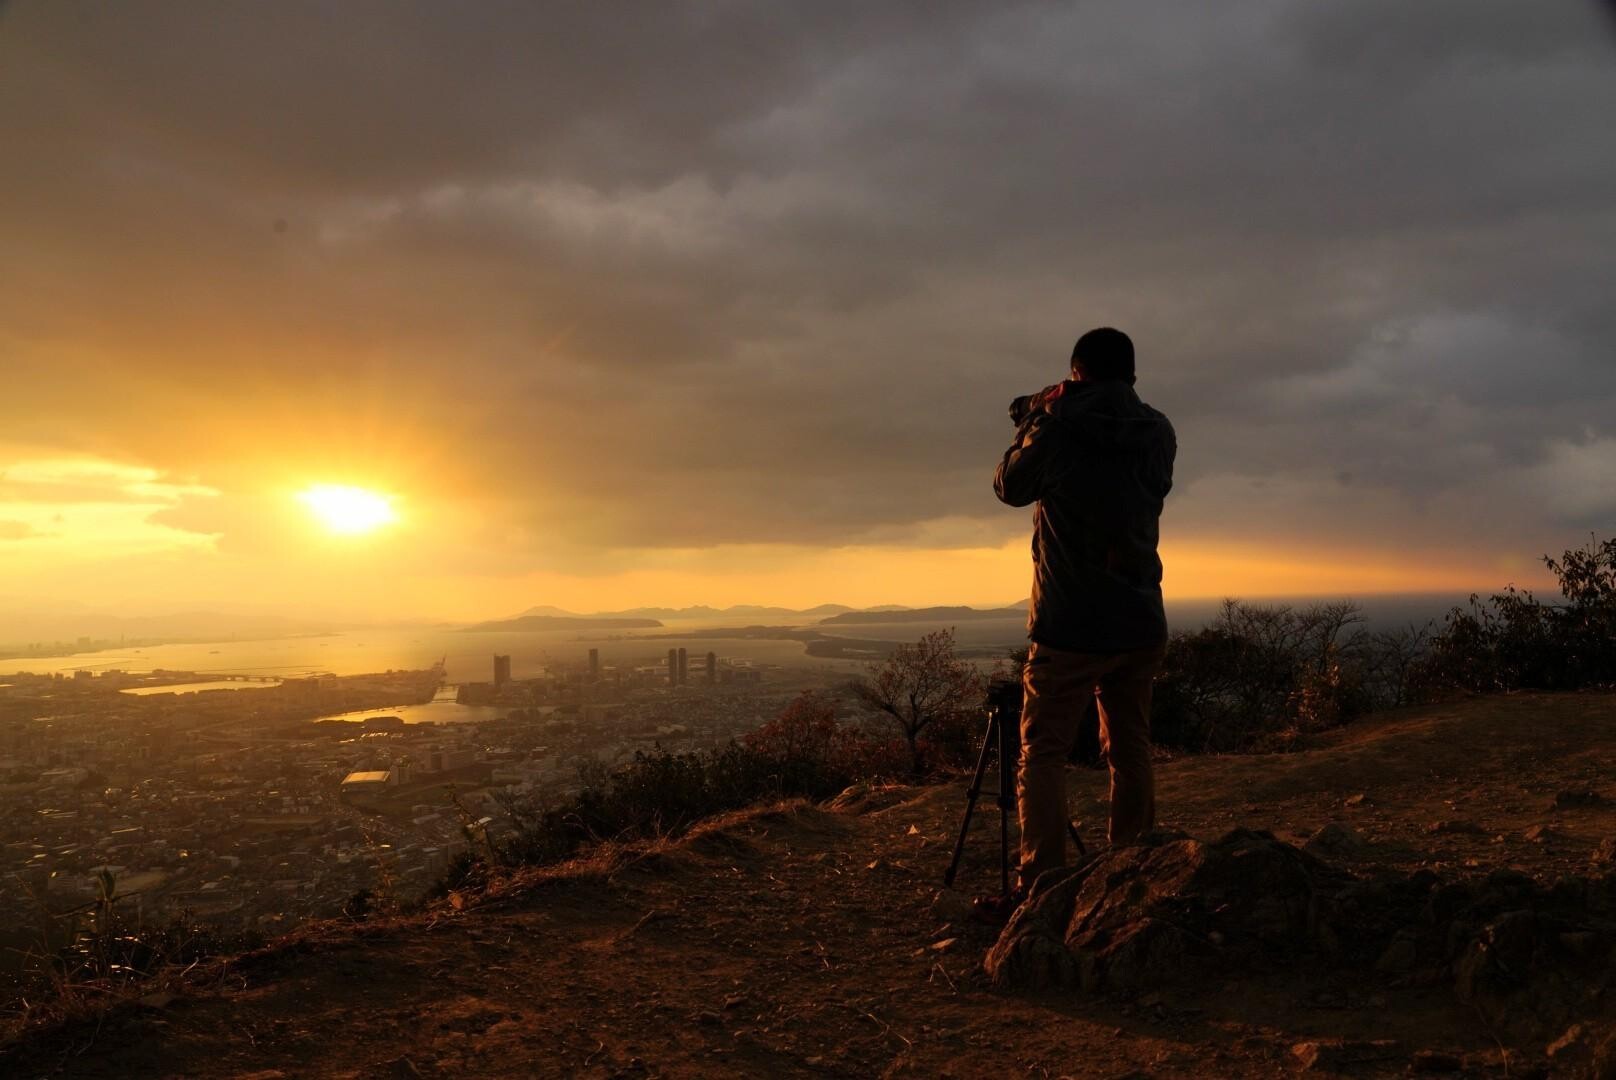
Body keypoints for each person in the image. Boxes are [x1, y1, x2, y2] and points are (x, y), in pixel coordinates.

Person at [988, 327, 1176, 912]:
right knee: (1130, 746)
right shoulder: (1158, 430)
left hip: (1069, 619)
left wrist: (1037, 417)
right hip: (1140, 616)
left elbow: (1008, 486)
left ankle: (1043, 886)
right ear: (1133, 376)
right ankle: (1131, 872)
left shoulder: (1057, 425)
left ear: (1075, 374)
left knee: (1042, 752)